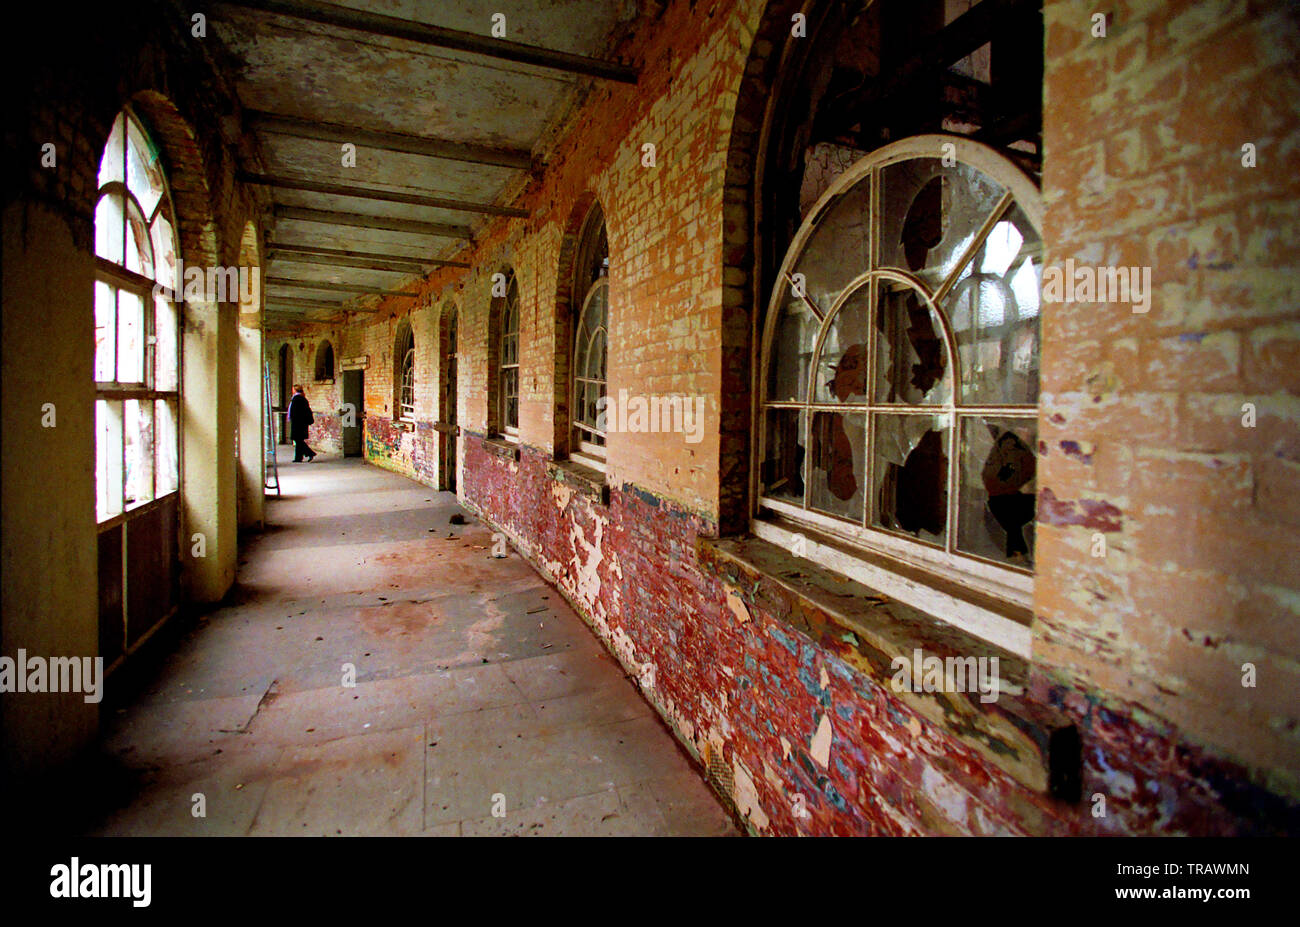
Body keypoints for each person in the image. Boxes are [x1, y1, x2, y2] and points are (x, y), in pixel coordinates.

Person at [287, 384, 316, 462]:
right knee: (298, 440)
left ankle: (310, 453)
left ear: (295, 390)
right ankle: (298, 457)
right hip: (300, 423)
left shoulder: (297, 399)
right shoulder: (300, 398)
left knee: (298, 440)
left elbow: (297, 412)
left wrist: (292, 418)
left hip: (298, 423)